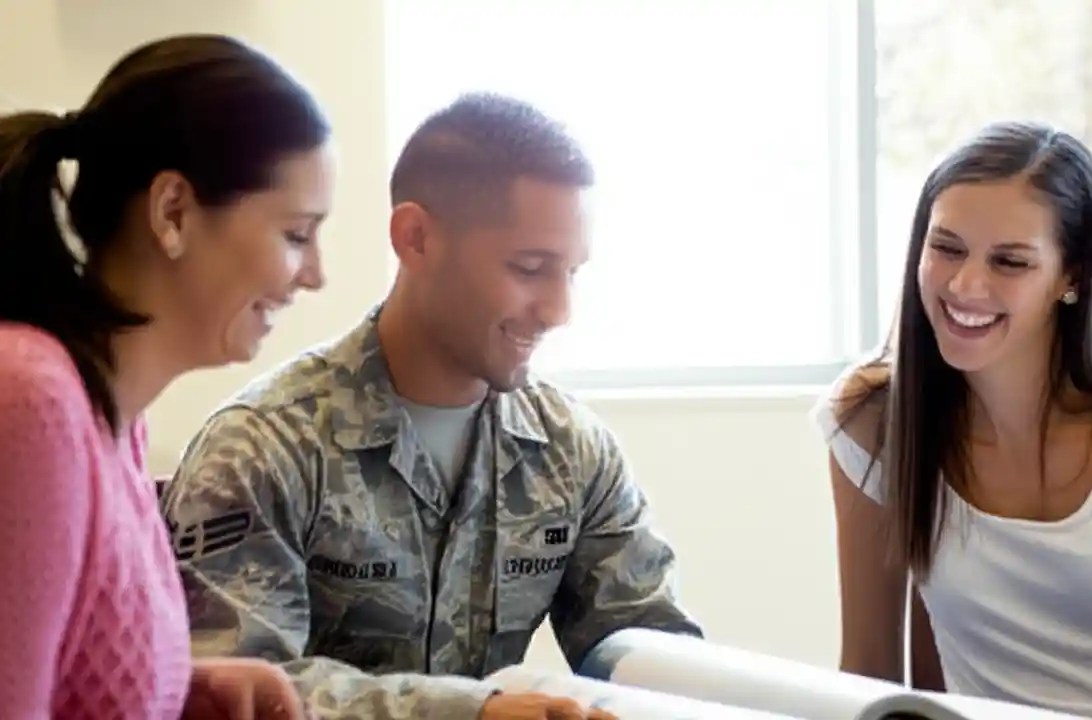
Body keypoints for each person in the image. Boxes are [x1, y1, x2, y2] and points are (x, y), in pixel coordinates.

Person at [160, 92, 702, 720]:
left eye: (572, 273)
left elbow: (645, 647)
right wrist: (469, 712)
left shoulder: (570, 450)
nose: (559, 311)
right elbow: (233, 694)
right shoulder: (264, 449)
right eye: (530, 268)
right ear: (416, 239)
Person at [812, 121, 1092, 720]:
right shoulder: (873, 418)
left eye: (1010, 262)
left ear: (1072, 276)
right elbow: (868, 678)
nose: (965, 285)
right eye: (946, 247)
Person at [0, 34, 334, 718]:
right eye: (297, 235)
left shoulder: (110, 417)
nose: (315, 274)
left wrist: (184, 690)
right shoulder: (31, 399)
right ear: (173, 212)